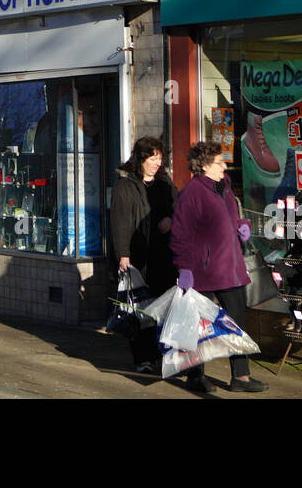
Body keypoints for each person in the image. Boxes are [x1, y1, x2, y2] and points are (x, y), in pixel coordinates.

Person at [170, 141, 267, 394]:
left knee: (237, 323)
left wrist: (241, 225)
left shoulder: (224, 188)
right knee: (197, 326)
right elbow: (181, 234)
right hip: (203, 272)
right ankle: (195, 375)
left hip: (230, 268)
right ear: (203, 166)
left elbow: (231, 218)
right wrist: (184, 268)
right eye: (219, 162)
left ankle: (241, 377)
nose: (225, 165)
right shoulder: (191, 193)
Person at [110, 136, 177, 371]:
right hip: (137, 257)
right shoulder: (125, 185)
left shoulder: (165, 184)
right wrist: (123, 254)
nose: (157, 163)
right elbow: (119, 222)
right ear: (141, 158)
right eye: (152, 158)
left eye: (159, 158)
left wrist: (171, 219)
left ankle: (160, 354)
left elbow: (177, 208)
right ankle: (142, 357)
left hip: (163, 255)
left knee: (162, 306)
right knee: (140, 308)